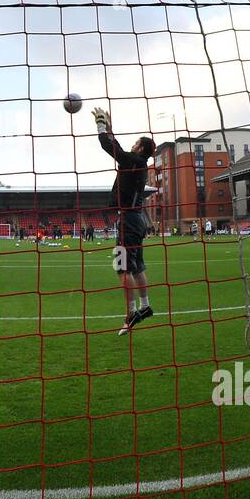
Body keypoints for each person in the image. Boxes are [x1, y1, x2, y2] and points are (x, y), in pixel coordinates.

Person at [92, 107, 156, 336]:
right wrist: (110, 128)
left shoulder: (135, 161)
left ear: (141, 148)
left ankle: (130, 313)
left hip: (128, 220)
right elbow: (118, 148)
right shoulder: (138, 163)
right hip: (136, 219)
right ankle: (145, 305)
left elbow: (111, 148)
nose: (133, 145)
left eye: (136, 143)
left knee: (122, 268)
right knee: (137, 267)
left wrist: (101, 127)